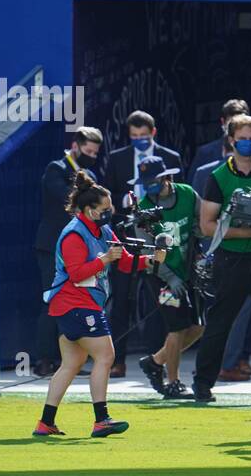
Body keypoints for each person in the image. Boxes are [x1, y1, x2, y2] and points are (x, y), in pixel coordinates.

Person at [34, 170, 164, 437]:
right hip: (76, 304)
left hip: (76, 306)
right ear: (89, 209)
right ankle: (101, 419)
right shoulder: (73, 234)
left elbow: (125, 260)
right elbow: (77, 273)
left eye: (110, 207)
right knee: (106, 355)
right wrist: (105, 259)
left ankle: (45, 423)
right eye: (104, 208)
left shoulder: (102, 228)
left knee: (71, 363)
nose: (110, 212)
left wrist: (151, 260)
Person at [190, 114, 251, 404]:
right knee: (220, 323)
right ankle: (202, 385)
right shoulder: (218, 177)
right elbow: (207, 225)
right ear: (230, 141)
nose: (247, 144)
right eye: (241, 139)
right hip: (230, 260)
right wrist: (247, 232)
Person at [106, 111, 184, 377]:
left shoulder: (170, 158)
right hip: (127, 236)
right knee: (121, 300)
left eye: (143, 135)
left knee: (157, 301)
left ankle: (156, 361)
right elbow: (108, 194)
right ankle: (116, 360)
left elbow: (177, 197)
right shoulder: (117, 159)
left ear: (153, 133)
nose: (139, 140)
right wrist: (124, 202)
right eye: (134, 136)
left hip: (158, 235)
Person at [32, 127, 103, 377]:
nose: (91, 156)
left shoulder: (90, 174)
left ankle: (70, 360)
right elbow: (67, 200)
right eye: (87, 151)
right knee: (52, 301)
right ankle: (43, 359)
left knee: (75, 304)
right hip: (52, 247)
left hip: (78, 250)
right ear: (76, 146)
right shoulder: (57, 169)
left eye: (95, 152)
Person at [130, 157, 203, 400]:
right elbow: (147, 251)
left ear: (165, 178)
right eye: (145, 183)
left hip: (188, 268)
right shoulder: (143, 208)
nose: (149, 187)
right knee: (177, 327)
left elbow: (202, 224)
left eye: (153, 181)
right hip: (160, 276)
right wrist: (169, 277)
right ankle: (173, 382)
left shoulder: (188, 195)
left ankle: (155, 361)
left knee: (200, 326)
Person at [188, 98, 251, 189]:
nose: (237, 129)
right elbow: (194, 189)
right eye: (232, 124)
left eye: (241, 124)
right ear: (223, 122)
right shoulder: (205, 152)